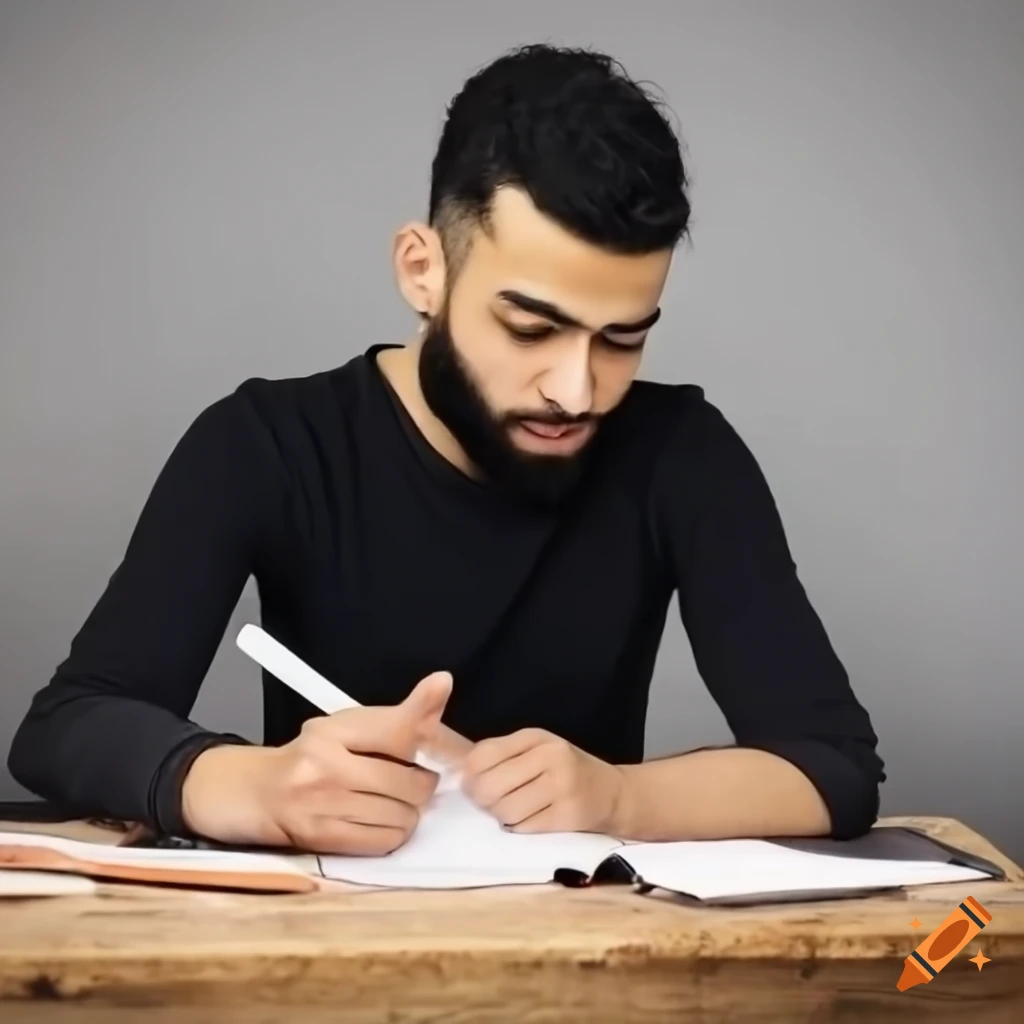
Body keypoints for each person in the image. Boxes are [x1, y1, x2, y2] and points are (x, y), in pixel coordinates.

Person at [8, 44, 884, 856]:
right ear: (423, 271)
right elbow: (66, 727)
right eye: (531, 327)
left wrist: (620, 798)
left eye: (622, 339)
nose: (576, 390)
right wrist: (254, 787)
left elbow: (833, 768)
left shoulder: (681, 456)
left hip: (591, 961)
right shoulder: (267, 445)